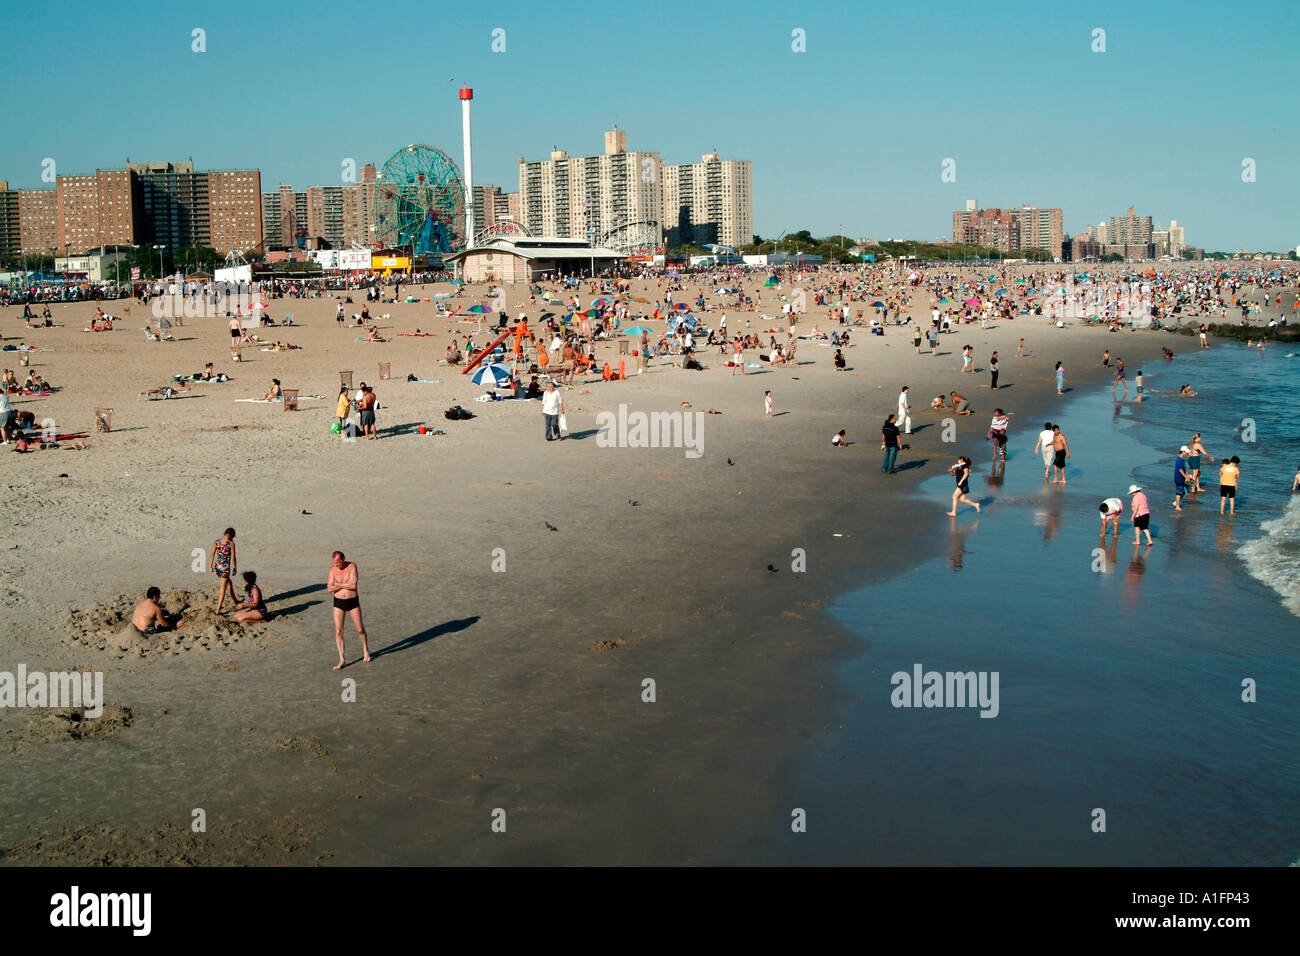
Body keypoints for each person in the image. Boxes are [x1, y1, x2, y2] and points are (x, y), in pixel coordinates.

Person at [327, 551, 370, 669]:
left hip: (352, 601)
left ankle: (365, 650)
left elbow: (353, 585)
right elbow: (329, 588)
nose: (337, 565)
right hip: (338, 602)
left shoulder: (352, 566)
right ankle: (342, 659)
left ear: (343, 559)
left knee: (360, 629)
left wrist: (338, 584)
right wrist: (344, 584)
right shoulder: (332, 570)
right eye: (334, 563)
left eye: (338, 562)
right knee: (339, 631)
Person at [210, 527, 237, 612]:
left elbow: (212, 554)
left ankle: (236, 601)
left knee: (229, 583)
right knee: (223, 588)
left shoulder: (217, 542)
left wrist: (210, 566)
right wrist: (235, 567)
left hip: (217, 566)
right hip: (225, 568)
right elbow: (233, 557)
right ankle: (218, 609)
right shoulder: (231, 544)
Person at [1173, 446, 1191, 510]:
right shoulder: (1179, 460)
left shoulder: (1182, 460)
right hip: (1179, 479)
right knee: (1179, 493)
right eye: (1186, 452)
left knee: (1186, 492)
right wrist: (1186, 477)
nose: (1187, 453)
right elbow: (1180, 470)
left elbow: (1184, 469)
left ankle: (1176, 502)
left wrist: (1188, 475)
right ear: (1183, 451)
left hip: (1182, 478)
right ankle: (1177, 506)